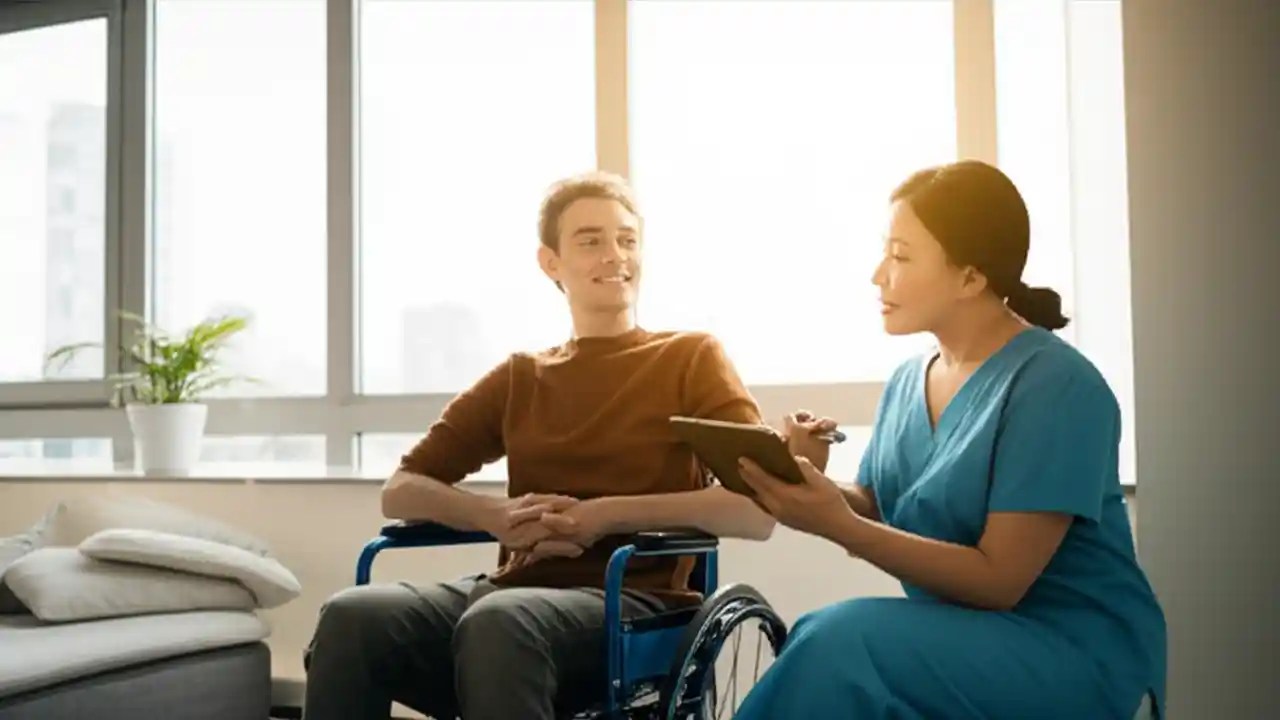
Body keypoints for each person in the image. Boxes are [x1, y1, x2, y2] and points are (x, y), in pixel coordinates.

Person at [302, 172, 790, 720]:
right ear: (551, 262)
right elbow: (401, 491)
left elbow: (755, 512)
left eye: (627, 239)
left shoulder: (690, 358)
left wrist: (602, 516)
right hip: (508, 596)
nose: (615, 255)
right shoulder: (521, 376)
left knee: (499, 623)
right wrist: (494, 516)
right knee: (351, 615)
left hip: (631, 602)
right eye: (591, 240)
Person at [734, 160, 1167, 720]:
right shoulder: (907, 381)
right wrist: (805, 477)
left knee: (839, 641)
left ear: (970, 278)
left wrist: (834, 523)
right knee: (825, 637)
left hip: (1072, 651)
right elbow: (880, 506)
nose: (878, 275)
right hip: (965, 635)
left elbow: (1000, 581)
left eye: (900, 256)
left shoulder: (1058, 386)